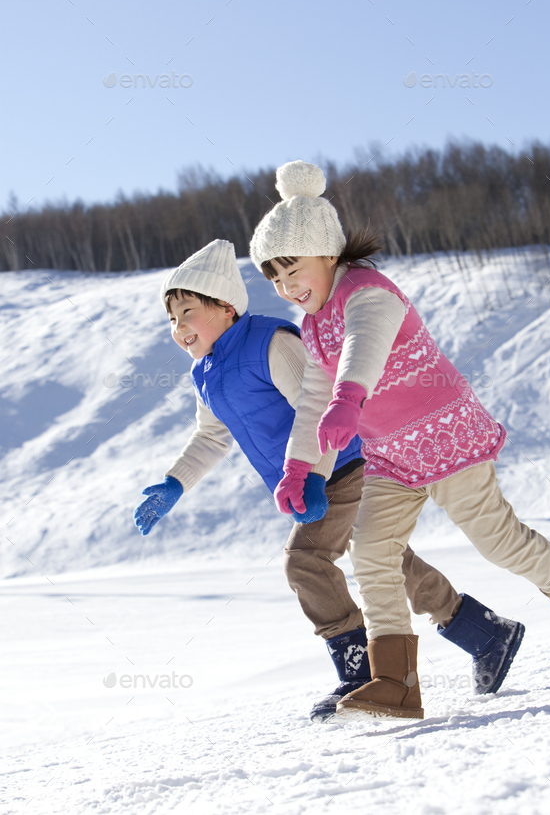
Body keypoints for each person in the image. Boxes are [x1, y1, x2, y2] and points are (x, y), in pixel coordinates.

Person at [249, 159, 550, 722]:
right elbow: (313, 398)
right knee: (374, 553)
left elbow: (365, 346)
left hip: (444, 439)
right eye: (275, 278)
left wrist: (348, 399)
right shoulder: (311, 327)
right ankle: (396, 683)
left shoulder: (367, 292)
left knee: (499, 541)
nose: (287, 287)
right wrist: (301, 467)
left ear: (328, 253)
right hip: (391, 458)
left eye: (294, 270)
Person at [133, 238, 525, 723]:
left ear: (226, 306)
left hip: (346, 463)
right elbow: (211, 438)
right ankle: (483, 632)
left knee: (306, 560)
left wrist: (313, 475)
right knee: (385, 559)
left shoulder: (270, 343)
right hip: (315, 478)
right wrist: (174, 484)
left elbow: (314, 407)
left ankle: (359, 668)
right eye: (171, 319)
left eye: (188, 311)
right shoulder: (205, 374)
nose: (179, 327)